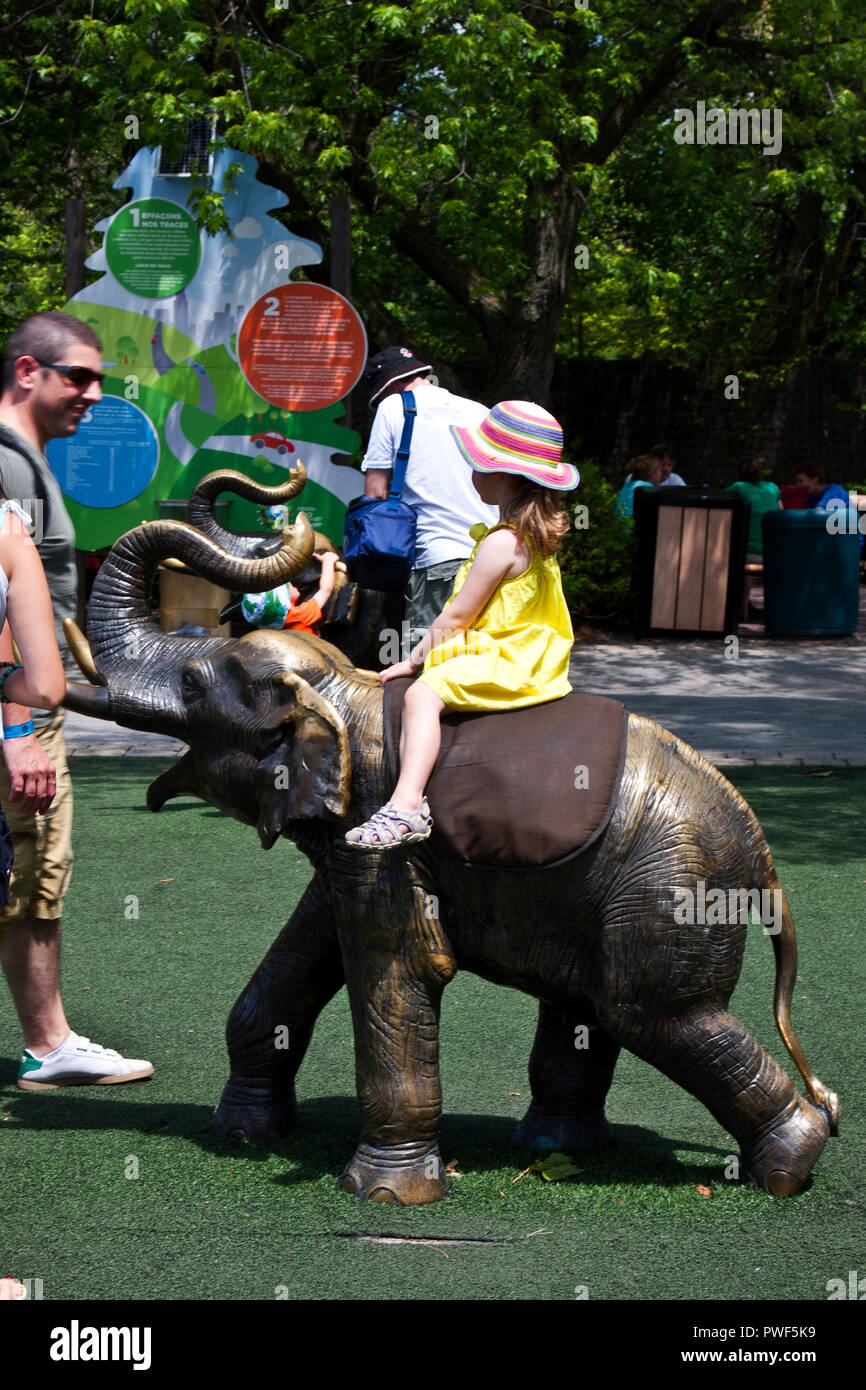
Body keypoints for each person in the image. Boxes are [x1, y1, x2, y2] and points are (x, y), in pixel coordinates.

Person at [0, 311, 153, 1089]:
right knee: (34, 869)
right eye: (80, 377)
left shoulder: (26, 458)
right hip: (15, 710)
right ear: (29, 371)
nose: (94, 394)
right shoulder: (8, 465)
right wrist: (18, 724)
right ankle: (49, 1042)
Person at [345, 401, 577, 850]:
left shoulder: (503, 542)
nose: (471, 472)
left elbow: (456, 616)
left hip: (509, 657)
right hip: (532, 654)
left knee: (422, 696)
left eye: (479, 463)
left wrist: (411, 662)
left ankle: (407, 804)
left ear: (504, 475)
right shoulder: (531, 536)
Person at [360, 347, 498, 649]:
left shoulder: (394, 406)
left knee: (427, 669)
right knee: (475, 664)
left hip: (436, 559)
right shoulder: (479, 411)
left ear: (391, 386)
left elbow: (375, 493)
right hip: (491, 558)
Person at [240, 551, 338, 635]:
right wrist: (328, 562)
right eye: (287, 585)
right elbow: (326, 589)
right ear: (285, 599)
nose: (292, 583)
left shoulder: (266, 625)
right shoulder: (298, 616)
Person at [727, 459, 782, 559]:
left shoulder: (737, 487)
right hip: (773, 551)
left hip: (749, 552)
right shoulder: (772, 487)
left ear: (738, 475)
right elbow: (781, 514)